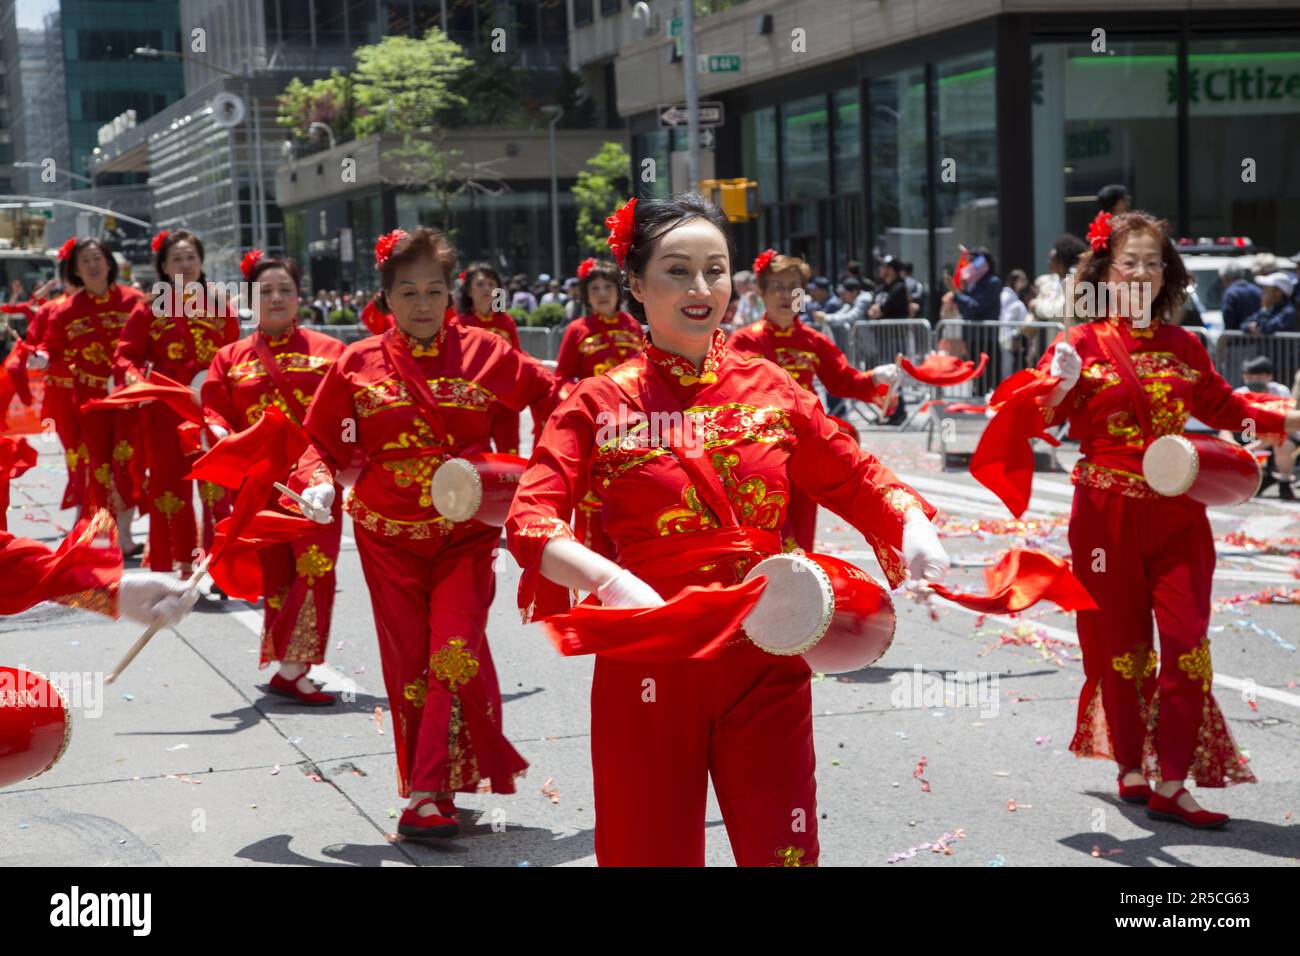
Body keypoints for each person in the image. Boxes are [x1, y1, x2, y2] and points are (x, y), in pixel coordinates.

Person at [505, 193, 948, 867]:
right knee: (649, 850)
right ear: (635, 284)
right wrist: (609, 578)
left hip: (767, 651)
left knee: (784, 848)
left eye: (716, 269)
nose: (701, 287)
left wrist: (910, 520)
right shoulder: (595, 403)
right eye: (678, 270)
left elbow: (852, 473)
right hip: (651, 653)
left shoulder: (770, 388)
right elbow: (530, 519)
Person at [285, 227, 555, 839]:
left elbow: (555, 399)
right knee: (409, 667)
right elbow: (320, 442)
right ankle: (433, 781)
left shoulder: (488, 352)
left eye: (435, 289)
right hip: (387, 539)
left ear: (451, 293)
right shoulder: (356, 363)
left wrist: (542, 476)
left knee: (451, 654)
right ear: (385, 298)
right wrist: (317, 483)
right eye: (408, 292)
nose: (424, 303)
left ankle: (426, 793)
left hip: (466, 536)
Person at [1033, 210, 1300, 827]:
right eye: (1130, 261)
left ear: (1166, 275)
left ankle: (1173, 781)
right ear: (1104, 270)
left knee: (1186, 647)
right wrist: (1053, 389)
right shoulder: (1077, 346)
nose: (1142, 272)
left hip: (1180, 517)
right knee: (1122, 651)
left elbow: (1230, 409)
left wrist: (1288, 418)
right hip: (1105, 518)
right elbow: (1039, 426)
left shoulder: (1185, 346)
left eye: (1154, 262)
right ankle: (1131, 766)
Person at [201, 251, 347, 703]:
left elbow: (350, 412)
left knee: (315, 569)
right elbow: (213, 410)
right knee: (278, 576)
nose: (277, 297)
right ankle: (287, 665)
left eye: (286, 289)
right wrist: (219, 432)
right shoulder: (230, 357)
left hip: (315, 482)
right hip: (261, 483)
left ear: (300, 296)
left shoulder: (331, 352)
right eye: (266, 291)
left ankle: (294, 664)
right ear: (250, 300)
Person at [730, 249, 902, 552]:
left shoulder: (813, 340)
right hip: (759, 453)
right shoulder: (744, 341)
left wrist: (875, 378)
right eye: (777, 287)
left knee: (802, 539)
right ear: (761, 292)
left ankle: (801, 594)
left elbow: (842, 380)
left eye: (794, 288)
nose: (786, 295)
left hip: (805, 450)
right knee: (766, 537)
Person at [115, 230, 241, 576]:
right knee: (171, 486)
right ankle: (180, 564)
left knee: (218, 486)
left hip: (211, 409)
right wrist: (138, 379)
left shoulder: (220, 304)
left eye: (190, 258)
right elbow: (126, 356)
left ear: (201, 262)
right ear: (164, 266)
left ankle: (221, 563)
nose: (185, 265)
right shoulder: (148, 307)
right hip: (166, 410)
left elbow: (233, 354)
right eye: (177, 259)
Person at [33, 238, 145, 552]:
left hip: (129, 400)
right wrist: (41, 356)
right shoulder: (66, 310)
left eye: (97, 258)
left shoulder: (134, 301)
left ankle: (125, 536)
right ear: (76, 270)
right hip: (90, 400)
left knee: (127, 463)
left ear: (109, 263)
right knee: (98, 465)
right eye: (85, 261)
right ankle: (104, 533)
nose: (93, 265)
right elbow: (52, 348)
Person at [553, 257, 647, 558]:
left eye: (608, 287)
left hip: (632, 423)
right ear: (586, 294)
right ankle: (595, 585)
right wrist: (578, 400)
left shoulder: (633, 325)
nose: (603, 293)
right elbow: (562, 377)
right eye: (595, 288)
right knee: (592, 504)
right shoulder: (577, 330)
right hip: (595, 425)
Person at [451, 262, 524, 456]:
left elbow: (517, 356)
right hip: (472, 405)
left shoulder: (505, 321)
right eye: (480, 284)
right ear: (468, 291)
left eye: (492, 284)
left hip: (505, 403)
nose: (487, 289)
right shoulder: (459, 323)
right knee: (473, 460)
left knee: (509, 458)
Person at [1217, 356, 1297, 501]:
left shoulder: (1280, 392)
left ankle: (1284, 482)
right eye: (1250, 376)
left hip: (1275, 438)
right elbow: (1225, 427)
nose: (1254, 380)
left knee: (1285, 443)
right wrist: (1232, 447)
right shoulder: (1239, 394)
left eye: (1259, 376)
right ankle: (1261, 476)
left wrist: (1252, 448)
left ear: (1269, 376)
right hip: (1249, 436)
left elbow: (1287, 426)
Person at [1030, 234, 1089, 323]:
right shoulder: (1049, 283)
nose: (1049, 262)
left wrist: (1037, 306)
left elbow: (1060, 310)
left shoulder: (1076, 282)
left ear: (1062, 261)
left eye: (1052, 259)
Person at [943, 248, 1002, 323]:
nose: (970, 265)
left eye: (972, 261)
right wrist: (962, 290)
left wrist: (956, 293)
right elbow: (964, 309)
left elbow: (975, 306)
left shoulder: (993, 282)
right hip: (971, 332)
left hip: (985, 333)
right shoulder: (972, 282)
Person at [1218, 263, 1261, 332]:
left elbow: (1228, 319)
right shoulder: (1256, 289)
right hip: (1259, 338)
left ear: (1226, 277)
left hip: (1237, 339)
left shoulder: (1230, 293)